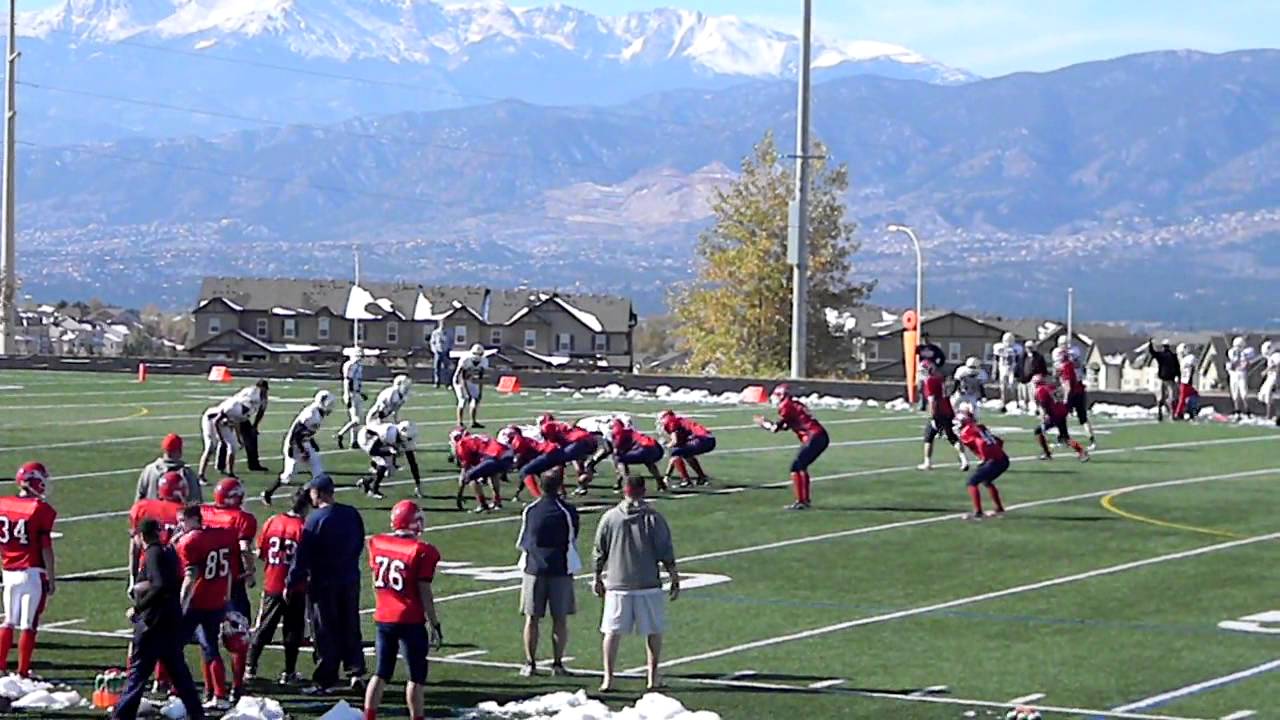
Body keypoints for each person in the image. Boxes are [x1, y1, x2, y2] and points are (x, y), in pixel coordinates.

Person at [112, 518, 205, 720]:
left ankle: (122, 715)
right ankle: (196, 713)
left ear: (141, 536)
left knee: (138, 673)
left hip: (153, 623)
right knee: (179, 673)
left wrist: (138, 608)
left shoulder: (152, 553)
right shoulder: (168, 551)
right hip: (171, 620)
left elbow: (159, 584)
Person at [593, 475, 678, 692]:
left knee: (612, 632)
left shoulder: (610, 517)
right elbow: (665, 549)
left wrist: (597, 577)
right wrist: (673, 575)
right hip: (647, 583)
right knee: (653, 631)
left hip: (617, 582)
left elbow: (599, 550)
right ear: (643, 490)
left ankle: (608, 678)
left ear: (624, 490)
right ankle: (652, 677)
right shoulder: (653, 518)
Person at [285, 473, 368, 696]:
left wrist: (291, 581)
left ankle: (325, 678)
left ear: (317, 493)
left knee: (325, 630)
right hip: (349, 578)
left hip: (323, 582)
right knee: (350, 625)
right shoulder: (351, 513)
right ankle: (356, 672)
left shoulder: (315, 519)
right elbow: (359, 542)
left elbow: (302, 556)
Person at [365, 501, 442, 720]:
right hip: (410, 619)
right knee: (416, 678)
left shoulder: (378, 543)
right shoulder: (422, 551)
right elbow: (424, 590)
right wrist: (434, 622)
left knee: (381, 673)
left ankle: (368, 717)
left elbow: (375, 580)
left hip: (384, 616)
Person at [175, 505, 240, 710]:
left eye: (182, 521)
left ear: (195, 519)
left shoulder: (190, 541)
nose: (179, 525)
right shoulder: (221, 535)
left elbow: (190, 577)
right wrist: (226, 598)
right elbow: (228, 572)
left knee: (174, 646)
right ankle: (215, 692)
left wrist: (180, 606)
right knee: (210, 647)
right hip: (216, 600)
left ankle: (176, 689)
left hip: (197, 601)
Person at [515, 472, 580, 678]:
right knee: (559, 619)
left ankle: (530, 663)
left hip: (534, 568)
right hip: (560, 568)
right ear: (560, 486)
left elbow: (524, 540)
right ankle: (557, 664)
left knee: (532, 618)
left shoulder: (531, 510)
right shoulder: (568, 511)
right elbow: (572, 537)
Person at [200, 478, 258, 703]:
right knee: (238, 639)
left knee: (208, 640)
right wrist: (250, 571)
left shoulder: (204, 513)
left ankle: (210, 689)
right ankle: (237, 687)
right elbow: (244, 548)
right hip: (231, 586)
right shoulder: (243, 519)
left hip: (205, 585)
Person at [247, 488, 310, 686]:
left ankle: (250, 667)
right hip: (296, 586)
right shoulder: (304, 528)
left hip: (272, 581)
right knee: (293, 631)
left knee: (264, 626)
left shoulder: (273, 521)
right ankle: (289, 672)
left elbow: (261, 552)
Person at [0, 462, 57, 677]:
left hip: (8, 570)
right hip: (31, 571)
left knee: (8, 620)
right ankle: (22, 671)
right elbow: (45, 548)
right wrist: (51, 577)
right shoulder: (40, 509)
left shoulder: (3, 504)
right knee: (28, 624)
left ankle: (1, 666)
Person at [754, 384, 828, 510]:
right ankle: (804, 500)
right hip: (819, 436)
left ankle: (802, 501)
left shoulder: (786, 405)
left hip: (813, 436)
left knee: (796, 466)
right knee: (801, 466)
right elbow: (786, 425)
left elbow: (776, 428)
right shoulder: (795, 404)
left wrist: (764, 423)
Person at [263, 390, 337, 505]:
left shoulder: (318, 412)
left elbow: (307, 432)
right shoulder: (311, 414)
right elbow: (296, 432)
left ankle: (310, 498)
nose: (331, 407)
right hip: (295, 444)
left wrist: (312, 442)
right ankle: (268, 493)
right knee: (288, 475)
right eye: (329, 404)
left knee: (318, 473)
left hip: (304, 442)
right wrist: (301, 450)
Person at [955, 407, 1008, 520]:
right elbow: (999, 441)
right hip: (1003, 459)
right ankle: (999, 508)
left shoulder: (966, 432)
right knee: (986, 481)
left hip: (993, 460)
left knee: (972, 482)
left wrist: (985, 458)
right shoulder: (981, 427)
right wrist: (996, 452)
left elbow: (981, 443)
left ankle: (978, 512)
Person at [918, 362, 969, 472]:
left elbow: (932, 400)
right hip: (948, 409)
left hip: (938, 411)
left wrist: (932, 416)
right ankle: (964, 460)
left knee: (928, 436)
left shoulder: (930, 381)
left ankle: (927, 463)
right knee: (952, 437)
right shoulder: (940, 378)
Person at [357, 421, 422, 499]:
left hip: (380, 442)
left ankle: (366, 481)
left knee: (389, 471)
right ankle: (374, 491)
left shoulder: (406, 439)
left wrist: (418, 485)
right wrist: (389, 451)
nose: (408, 440)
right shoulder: (387, 432)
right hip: (366, 438)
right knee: (384, 464)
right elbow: (372, 450)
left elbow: (412, 462)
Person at [1032, 374, 1090, 462]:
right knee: (1065, 437)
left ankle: (1047, 453)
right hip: (1061, 411)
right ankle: (1081, 451)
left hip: (1054, 415)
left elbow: (1044, 404)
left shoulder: (1040, 390)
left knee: (1038, 431)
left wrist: (1045, 416)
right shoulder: (1049, 387)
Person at [539, 414, 600, 496]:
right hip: (586, 440)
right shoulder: (559, 425)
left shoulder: (548, 428)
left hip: (578, 443)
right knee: (577, 465)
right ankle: (583, 484)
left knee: (558, 464)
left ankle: (562, 490)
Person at [198, 393, 252, 484]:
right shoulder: (232, 407)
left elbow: (236, 423)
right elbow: (216, 421)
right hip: (210, 419)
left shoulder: (244, 411)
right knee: (210, 447)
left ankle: (230, 474)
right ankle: (201, 476)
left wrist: (239, 439)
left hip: (223, 422)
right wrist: (220, 438)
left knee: (233, 446)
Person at [451, 428, 508, 513]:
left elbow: (465, 472)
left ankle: (482, 504)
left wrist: (459, 495)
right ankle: (497, 501)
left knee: (470, 476)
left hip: (494, 456)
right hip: (506, 454)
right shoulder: (475, 438)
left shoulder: (462, 444)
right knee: (492, 473)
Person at [1054, 340, 1097, 450]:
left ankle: (1063, 439)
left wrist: (1065, 399)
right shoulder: (1070, 365)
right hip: (1079, 392)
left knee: (1060, 416)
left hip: (1073, 394)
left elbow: (1067, 385)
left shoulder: (1065, 366)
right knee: (1083, 418)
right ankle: (1092, 441)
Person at [137, 433, 204, 502]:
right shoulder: (187, 474)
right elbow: (196, 501)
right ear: (179, 451)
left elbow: (139, 498)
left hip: (152, 508)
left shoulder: (149, 470)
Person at [656, 410, 715, 488]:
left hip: (701, 439)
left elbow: (674, 442)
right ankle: (702, 478)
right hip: (709, 439)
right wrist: (667, 476)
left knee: (675, 452)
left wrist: (665, 446)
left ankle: (686, 480)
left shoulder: (670, 421)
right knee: (686, 454)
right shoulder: (679, 421)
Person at [611, 419, 666, 490]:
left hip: (643, 448)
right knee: (648, 461)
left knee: (619, 459)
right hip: (656, 448)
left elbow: (616, 452)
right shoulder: (631, 432)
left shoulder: (619, 433)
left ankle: (626, 484)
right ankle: (660, 483)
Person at [232, 380, 271, 473]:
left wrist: (255, 426)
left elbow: (261, 411)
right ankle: (221, 465)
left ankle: (254, 464)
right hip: (233, 414)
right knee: (228, 440)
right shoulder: (251, 393)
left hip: (243, 417)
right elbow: (241, 407)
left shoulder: (262, 397)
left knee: (252, 438)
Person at [335, 348, 369, 449]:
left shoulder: (358, 366)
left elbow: (356, 381)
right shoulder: (350, 365)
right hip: (352, 394)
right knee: (356, 420)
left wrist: (361, 393)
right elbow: (347, 381)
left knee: (358, 420)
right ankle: (340, 434)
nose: (361, 358)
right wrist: (347, 394)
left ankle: (353, 441)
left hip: (356, 393)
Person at [454, 343, 489, 429]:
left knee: (475, 399)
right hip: (459, 380)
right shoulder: (466, 359)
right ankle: (459, 422)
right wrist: (466, 392)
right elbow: (461, 376)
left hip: (472, 380)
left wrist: (480, 391)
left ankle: (473, 422)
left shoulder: (484, 361)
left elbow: (481, 377)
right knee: (463, 400)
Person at [1148, 339, 1180, 422]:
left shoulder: (1161, 355)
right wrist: (1178, 378)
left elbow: (1152, 352)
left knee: (1161, 398)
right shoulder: (1173, 356)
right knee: (1171, 398)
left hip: (1162, 379)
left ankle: (1160, 413)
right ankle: (1172, 415)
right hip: (1171, 380)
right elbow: (1177, 368)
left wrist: (1150, 344)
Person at [1226, 336, 1257, 420]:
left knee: (1243, 393)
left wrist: (1244, 361)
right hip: (1235, 373)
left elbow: (1247, 363)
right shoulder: (1233, 352)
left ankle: (1246, 411)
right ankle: (1238, 411)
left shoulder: (1246, 352)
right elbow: (1233, 364)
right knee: (1236, 393)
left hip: (1240, 373)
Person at [993, 332, 1025, 412]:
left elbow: (1019, 361)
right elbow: (996, 360)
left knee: (1013, 386)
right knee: (1003, 387)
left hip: (1013, 368)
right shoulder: (998, 347)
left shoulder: (1017, 348)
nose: (1008, 343)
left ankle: (1017, 402)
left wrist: (1019, 371)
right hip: (1003, 368)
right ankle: (1004, 403)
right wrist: (994, 371)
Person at [915, 333, 946, 410]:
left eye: (926, 338)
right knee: (920, 386)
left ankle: (933, 404)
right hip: (921, 369)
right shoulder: (919, 348)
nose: (925, 340)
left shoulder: (934, 348)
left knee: (930, 388)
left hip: (931, 370)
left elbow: (942, 357)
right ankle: (922, 403)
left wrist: (937, 365)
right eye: (923, 338)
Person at [1174, 343, 1201, 421]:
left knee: (1190, 398)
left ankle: (1188, 414)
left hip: (1186, 382)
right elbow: (1194, 364)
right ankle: (1179, 414)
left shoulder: (1184, 360)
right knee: (1183, 399)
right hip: (1186, 383)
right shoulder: (1188, 359)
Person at [1257, 340, 1278, 423]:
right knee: (1262, 395)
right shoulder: (1270, 357)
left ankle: (1269, 415)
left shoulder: (1276, 355)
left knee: (1268, 396)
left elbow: (1277, 365)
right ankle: (1273, 414)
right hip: (1269, 378)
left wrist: (1266, 371)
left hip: (1274, 377)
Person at [429, 324, 453, 389]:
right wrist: (434, 350)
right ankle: (436, 383)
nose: (443, 325)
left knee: (447, 369)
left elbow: (451, 341)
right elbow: (432, 342)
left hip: (445, 352)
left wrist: (449, 349)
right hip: (438, 352)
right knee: (436, 368)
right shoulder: (435, 332)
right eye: (442, 323)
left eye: (444, 324)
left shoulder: (449, 332)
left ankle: (447, 384)